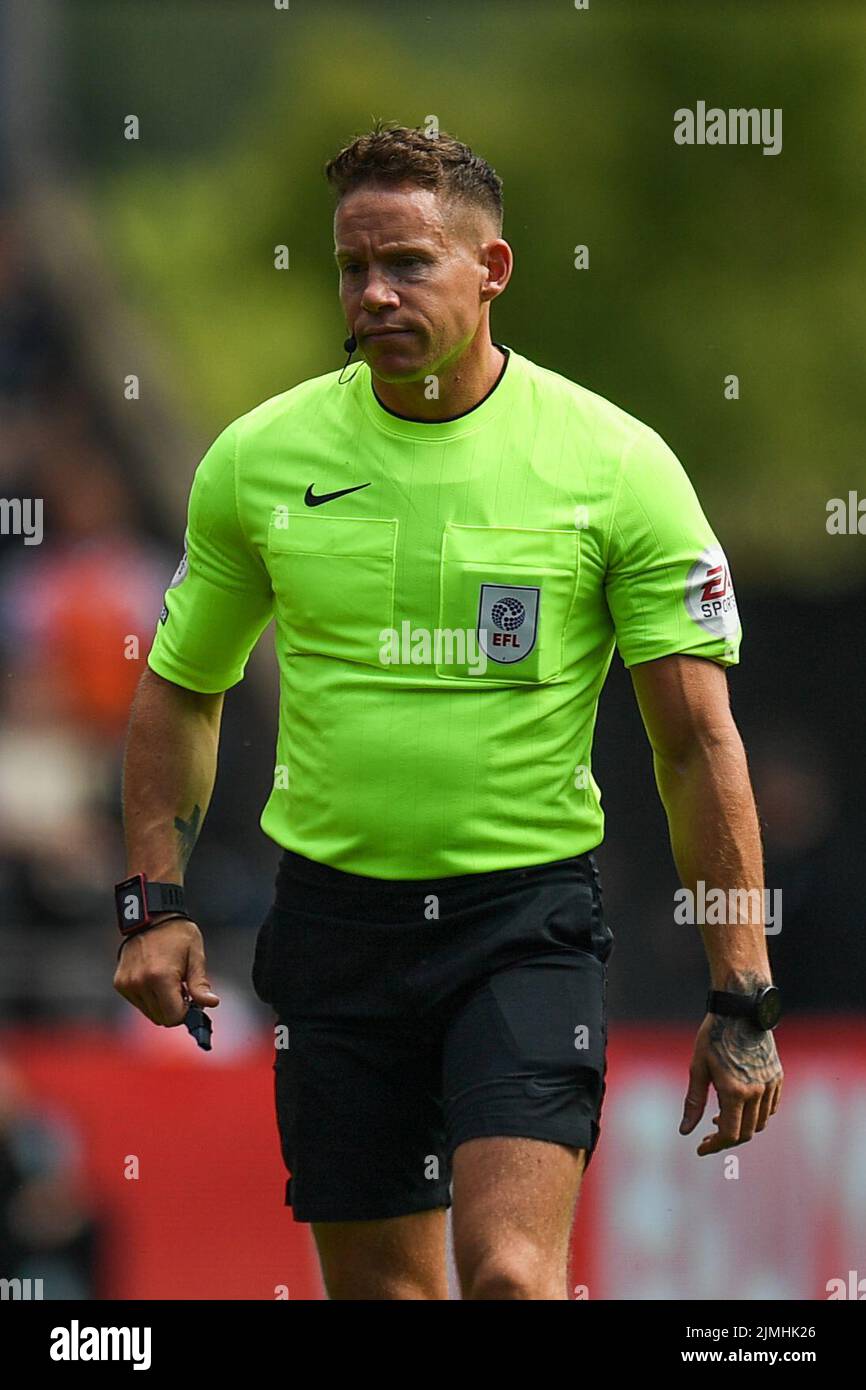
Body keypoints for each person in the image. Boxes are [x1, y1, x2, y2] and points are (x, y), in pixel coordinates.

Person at [114, 122, 783, 1301]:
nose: (370, 292)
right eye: (349, 266)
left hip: (520, 923)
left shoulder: (613, 464)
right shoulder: (257, 461)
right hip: (333, 925)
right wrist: (151, 903)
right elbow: (181, 688)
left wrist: (739, 989)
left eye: (407, 263)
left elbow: (693, 745)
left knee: (512, 1278)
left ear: (492, 270)